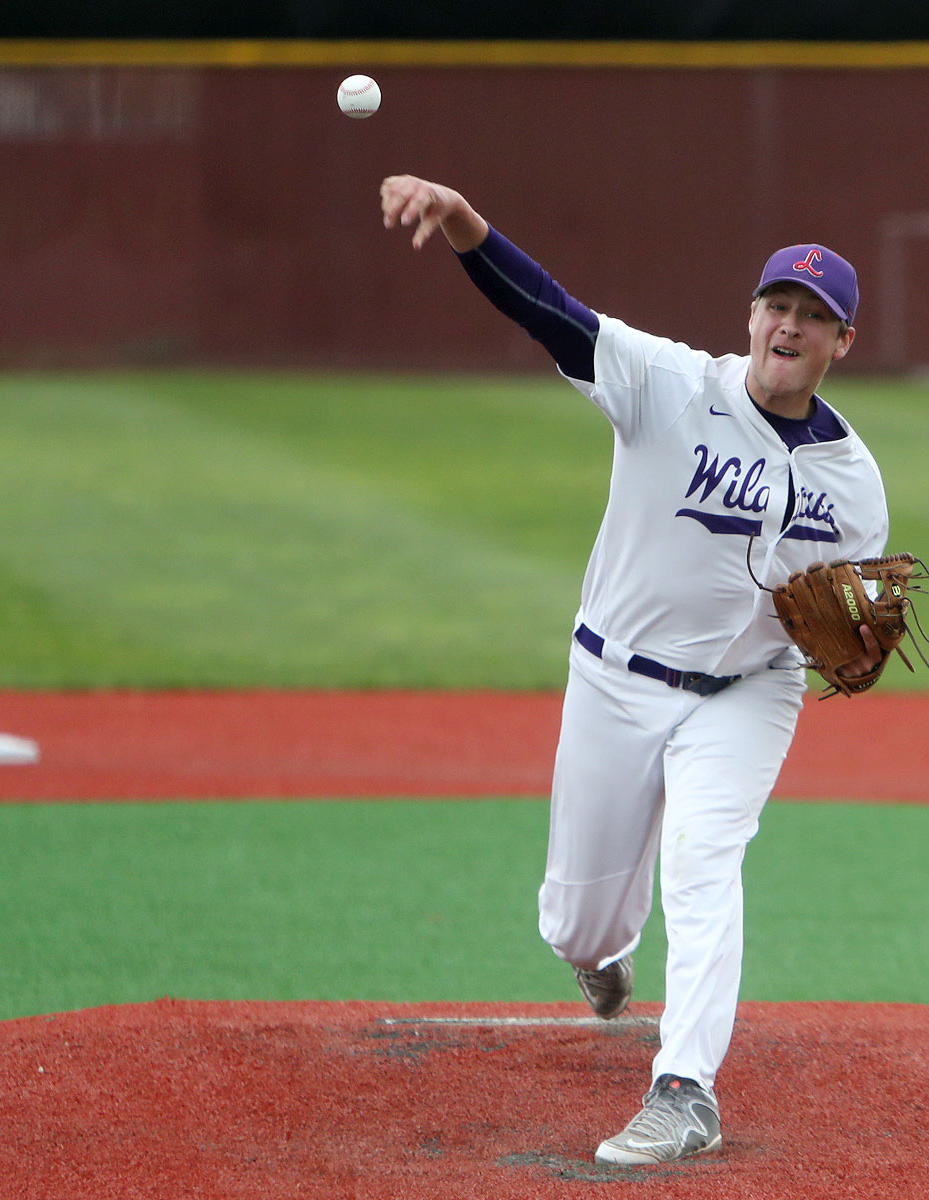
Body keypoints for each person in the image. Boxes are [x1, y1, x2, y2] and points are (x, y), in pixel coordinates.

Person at [379, 175, 893, 1166]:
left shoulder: (853, 481)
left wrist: (855, 643)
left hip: (747, 696)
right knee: (576, 921)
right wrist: (465, 228)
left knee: (705, 862)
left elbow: (848, 613)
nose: (791, 325)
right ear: (750, 317)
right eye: (778, 305)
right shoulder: (667, 382)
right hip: (615, 680)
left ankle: (683, 1089)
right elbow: (554, 316)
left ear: (841, 345)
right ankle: (600, 957)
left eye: (814, 317)